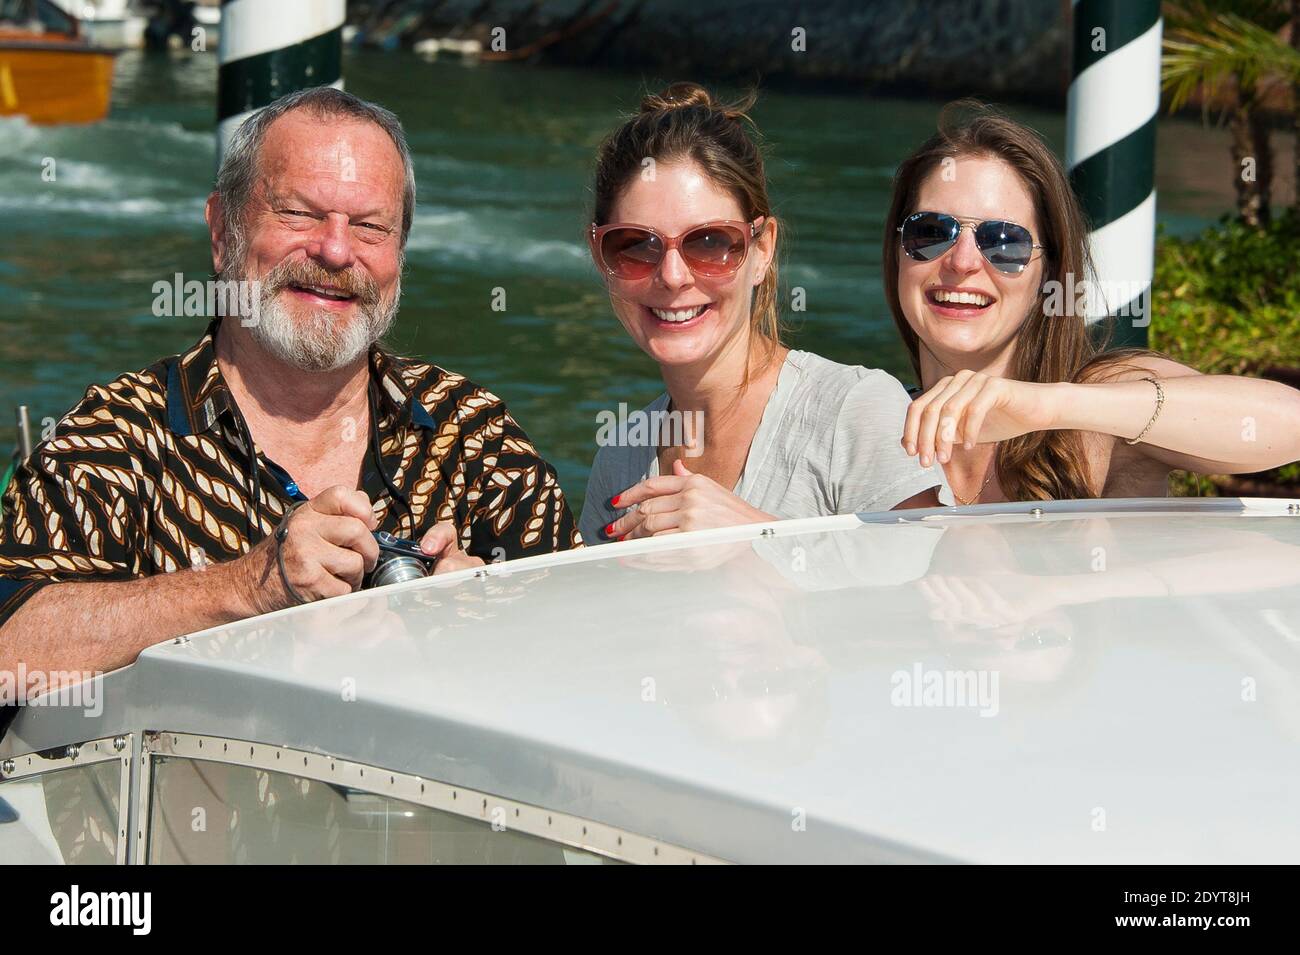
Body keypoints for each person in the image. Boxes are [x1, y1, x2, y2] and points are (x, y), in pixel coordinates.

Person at [0, 87, 580, 691]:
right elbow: (9, 651)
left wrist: (493, 610)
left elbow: (594, 643)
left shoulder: (473, 435)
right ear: (223, 230)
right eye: (299, 213)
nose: (334, 251)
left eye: (369, 227)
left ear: (400, 253)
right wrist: (253, 585)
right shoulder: (116, 438)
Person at [580, 83, 946, 544]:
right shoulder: (620, 455)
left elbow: (928, 600)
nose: (672, 276)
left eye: (709, 242)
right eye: (635, 247)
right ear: (601, 257)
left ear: (762, 249)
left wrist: (760, 542)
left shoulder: (856, 410)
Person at [884, 103, 1300, 504]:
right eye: (932, 231)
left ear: (1049, 270)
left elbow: (1290, 424)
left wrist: (1045, 406)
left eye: (1004, 242)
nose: (963, 262)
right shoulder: (862, 427)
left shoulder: (1097, 406)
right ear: (897, 250)